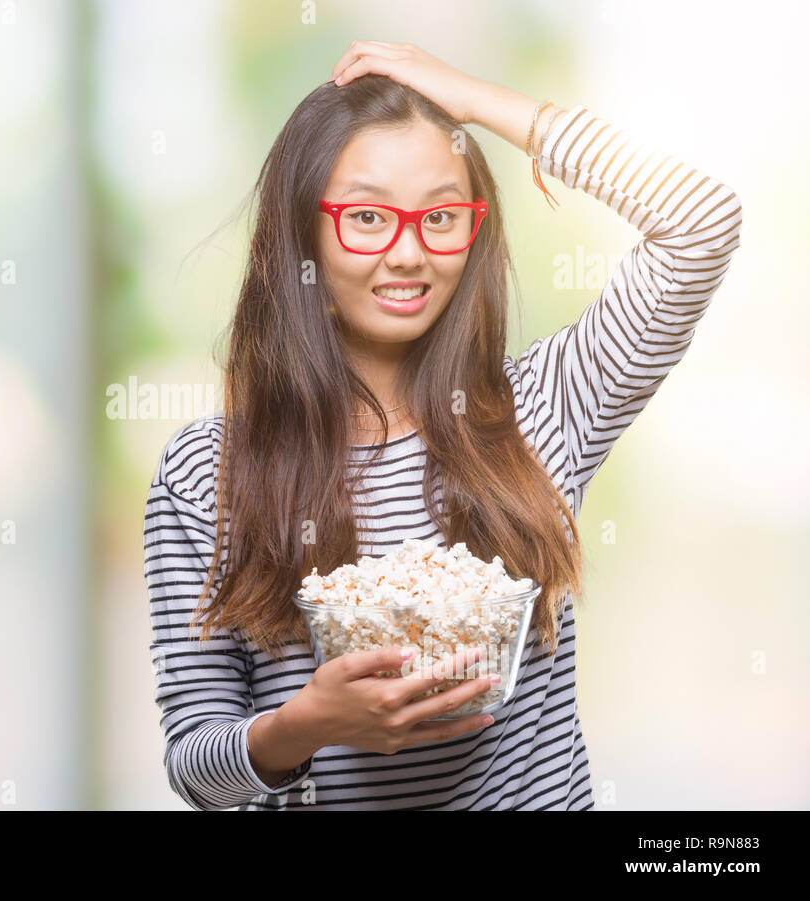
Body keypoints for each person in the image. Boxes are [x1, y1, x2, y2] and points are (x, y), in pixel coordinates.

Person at [141, 41, 742, 810]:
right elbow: (197, 768)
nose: (409, 252)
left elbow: (702, 223)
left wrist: (474, 102)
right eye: (365, 216)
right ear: (304, 235)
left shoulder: (547, 408)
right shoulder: (209, 469)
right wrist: (305, 724)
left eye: (441, 214)